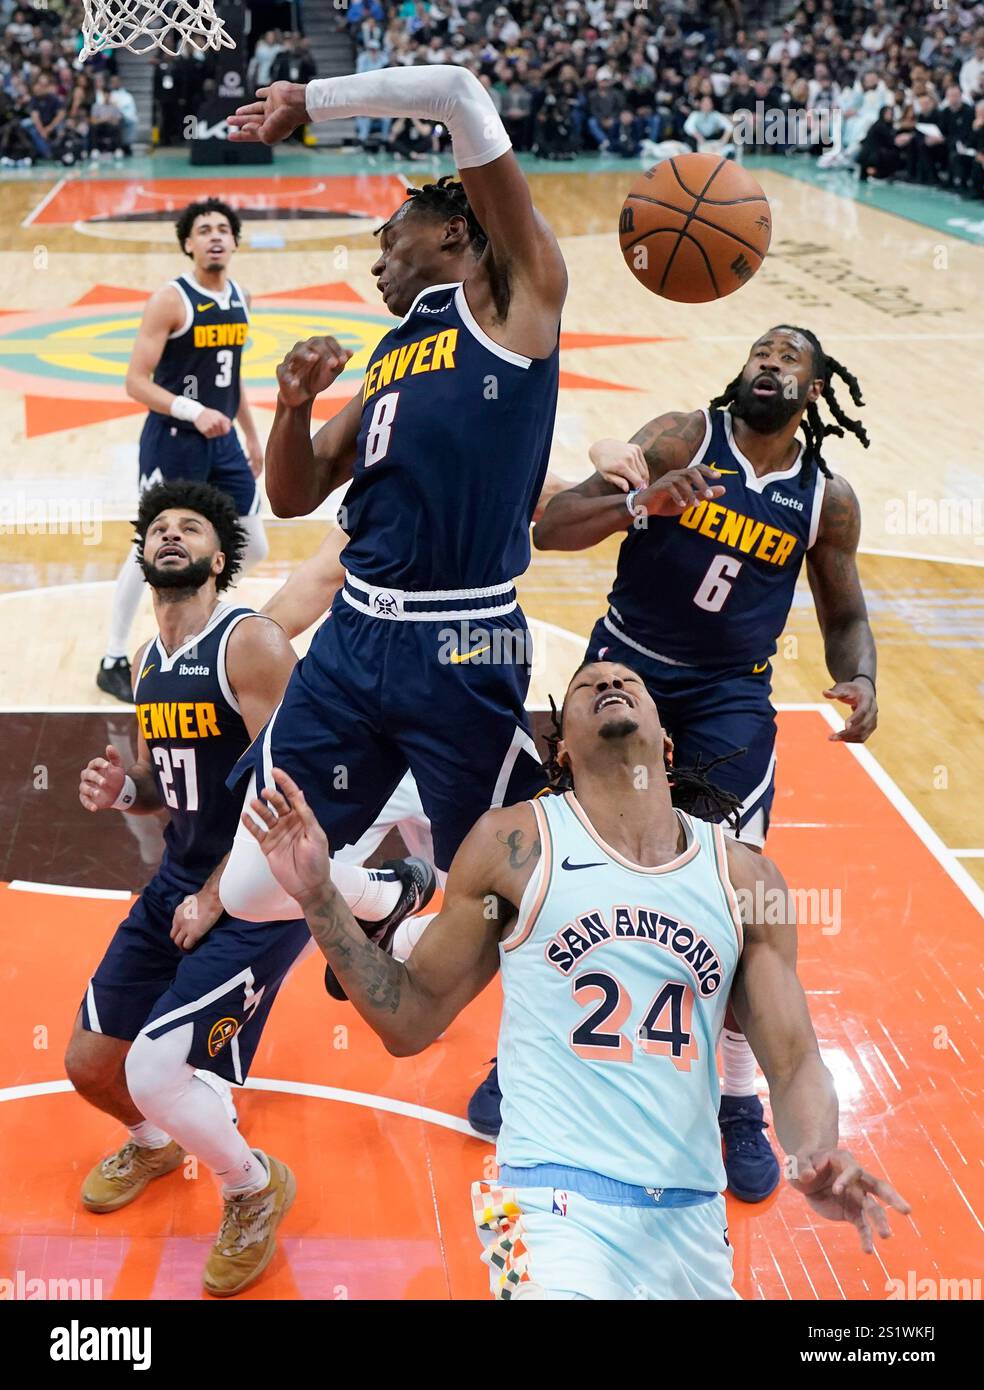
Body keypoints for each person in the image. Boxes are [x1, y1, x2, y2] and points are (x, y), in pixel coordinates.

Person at [242, 660, 911, 1301]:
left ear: (666, 742)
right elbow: (409, 1019)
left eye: (628, 682)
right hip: (539, 1199)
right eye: (588, 683)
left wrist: (817, 1151)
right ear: (560, 753)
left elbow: (793, 1063)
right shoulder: (514, 844)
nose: (611, 682)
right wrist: (319, 895)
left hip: (690, 1211)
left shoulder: (744, 878)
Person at [218, 70, 567, 996]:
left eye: (389, 232)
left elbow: (457, 90)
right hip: (353, 639)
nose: (374, 253)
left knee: (510, 897)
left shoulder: (515, 301)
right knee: (255, 882)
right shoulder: (391, 353)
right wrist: (292, 408)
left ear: (453, 228)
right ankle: (378, 894)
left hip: (463, 634)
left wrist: (306, 99)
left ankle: (532, 1061)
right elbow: (292, 496)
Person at [528, 326, 879, 1203]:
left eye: (790, 357)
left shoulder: (823, 498)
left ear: (813, 387)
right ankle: (532, 1061)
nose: (768, 362)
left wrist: (859, 676)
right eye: (759, 349)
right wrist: (640, 504)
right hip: (623, 671)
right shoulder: (684, 438)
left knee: (732, 889)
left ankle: (733, 1097)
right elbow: (552, 527)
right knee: (565, 866)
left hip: (727, 694)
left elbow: (843, 610)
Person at [69, 479, 429, 1295]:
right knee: (92, 1066)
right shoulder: (145, 663)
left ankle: (252, 1188)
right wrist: (124, 791)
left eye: (189, 527)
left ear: (218, 557)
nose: (170, 536)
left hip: (257, 886)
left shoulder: (250, 643)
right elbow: (168, 786)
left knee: (155, 1071)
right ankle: (158, 1141)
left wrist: (220, 894)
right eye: (158, 527)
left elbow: (287, 788)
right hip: (180, 879)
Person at [96, 199, 268, 703]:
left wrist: (252, 436)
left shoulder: (242, 296)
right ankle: (111, 655)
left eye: (223, 229)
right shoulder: (171, 300)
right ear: (188, 244)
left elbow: (230, 377)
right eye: (203, 230)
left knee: (252, 545)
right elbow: (134, 382)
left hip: (224, 441)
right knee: (148, 546)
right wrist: (192, 412)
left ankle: (199, 611)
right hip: (174, 440)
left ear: (235, 241)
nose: (215, 236)